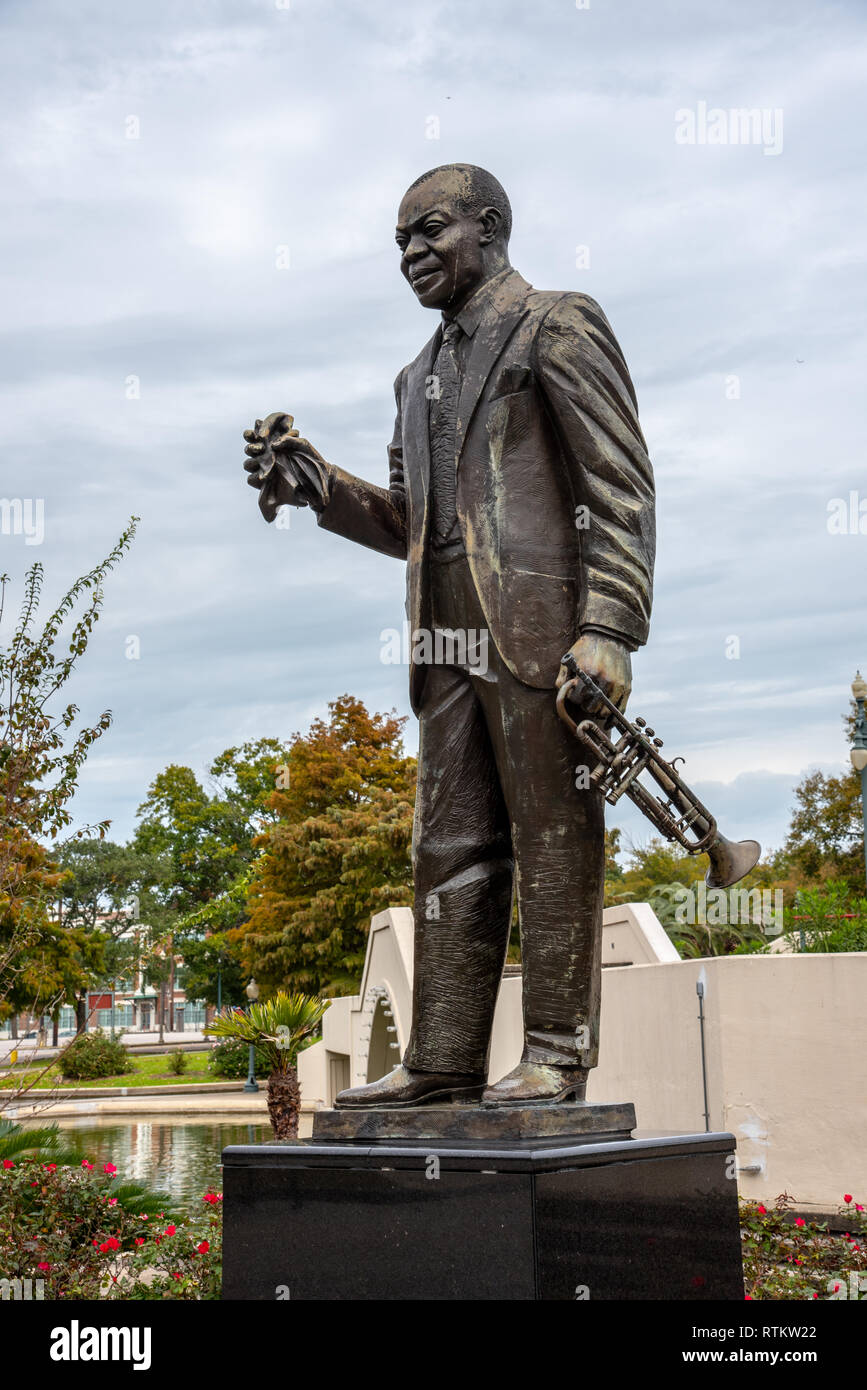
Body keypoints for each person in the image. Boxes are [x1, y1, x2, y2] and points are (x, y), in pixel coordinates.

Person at [243, 164, 655, 1107]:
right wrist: (320, 486)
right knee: (449, 848)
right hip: (445, 648)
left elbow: (618, 485)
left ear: (491, 226)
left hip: (543, 636)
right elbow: (410, 524)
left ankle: (555, 1052)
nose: (412, 255)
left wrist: (608, 625)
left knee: (554, 833)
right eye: (399, 243)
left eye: (429, 231)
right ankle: (440, 1061)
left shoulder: (556, 321)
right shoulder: (412, 377)